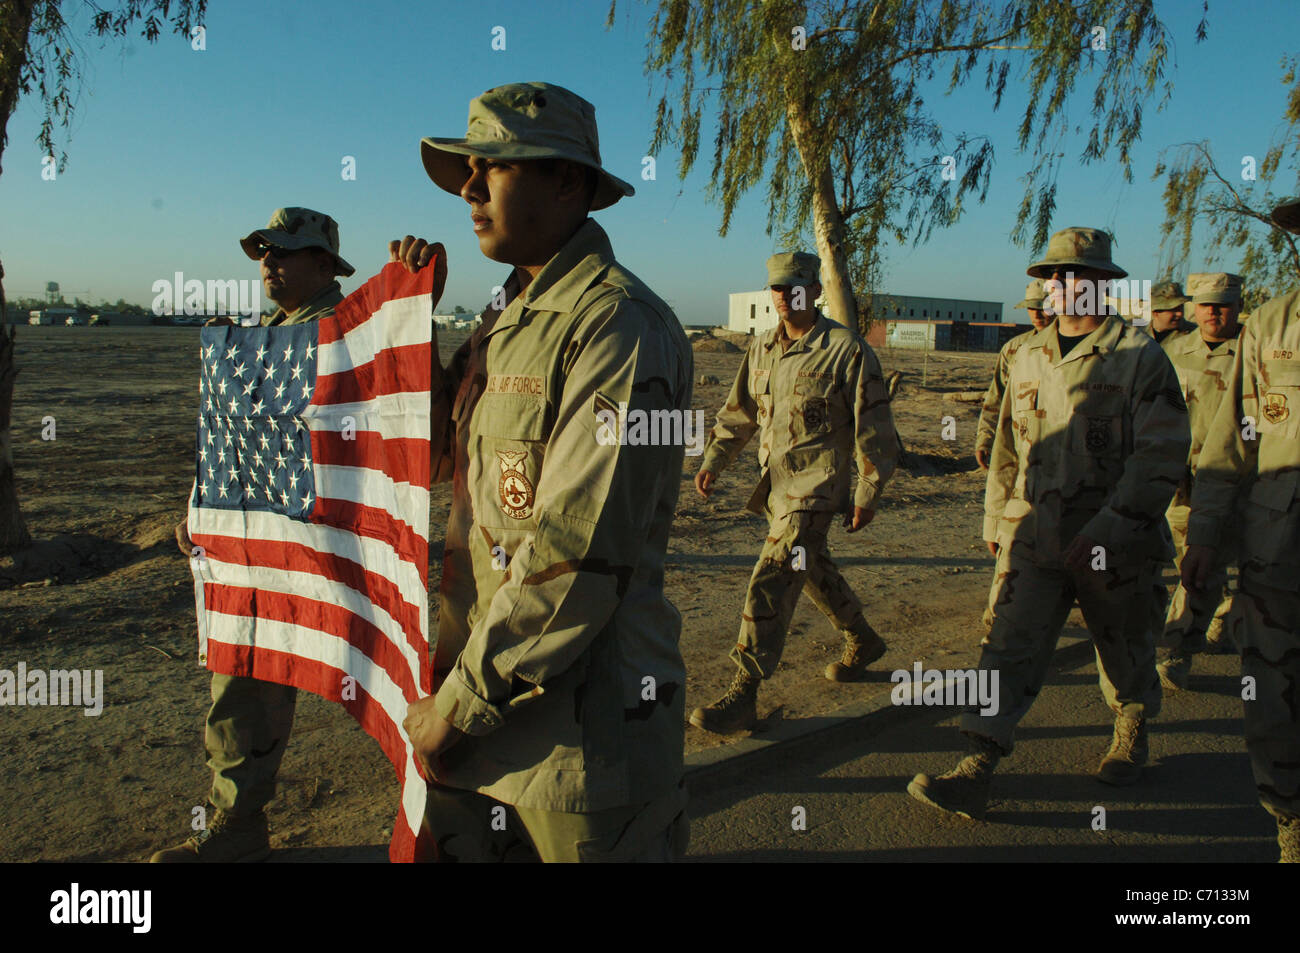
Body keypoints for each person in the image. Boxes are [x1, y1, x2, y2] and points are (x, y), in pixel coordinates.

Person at [396, 82, 693, 862]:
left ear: (566, 182)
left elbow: (578, 551)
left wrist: (459, 705)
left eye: (490, 166)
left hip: (581, 746)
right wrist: (406, 322)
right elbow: (431, 458)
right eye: (466, 168)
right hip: (479, 713)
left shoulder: (618, 325)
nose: (466, 187)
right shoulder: (507, 320)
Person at [908, 226, 1189, 819]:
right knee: (1006, 646)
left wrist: (1108, 532)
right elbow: (1008, 447)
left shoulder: (1140, 357)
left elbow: (1161, 456)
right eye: (1052, 276)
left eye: (1075, 276)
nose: (1061, 285)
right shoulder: (1025, 353)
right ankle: (978, 765)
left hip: (1113, 544)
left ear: (1103, 284)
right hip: (1034, 535)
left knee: (1124, 648)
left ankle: (1132, 726)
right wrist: (995, 517)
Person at [154, 208, 357, 862]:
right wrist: (203, 505)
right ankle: (238, 822)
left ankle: (453, 815)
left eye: (286, 252)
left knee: (365, 681)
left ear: (325, 264)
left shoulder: (345, 332)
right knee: (242, 671)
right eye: (263, 251)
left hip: (316, 546)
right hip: (260, 542)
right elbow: (240, 440)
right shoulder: (264, 336)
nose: (269, 262)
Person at [688, 251, 899, 735]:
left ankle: (745, 691)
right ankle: (862, 639)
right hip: (777, 489)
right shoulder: (761, 348)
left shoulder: (846, 350)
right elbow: (738, 413)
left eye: (795, 287)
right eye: (777, 288)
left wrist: (868, 490)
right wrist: (715, 461)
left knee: (775, 571)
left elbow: (876, 426)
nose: (785, 296)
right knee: (809, 568)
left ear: (816, 291)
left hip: (818, 488)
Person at [1181, 197, 1300, 862]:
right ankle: (1290, 820)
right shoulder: (1272, 324)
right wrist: (1204, 535)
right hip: (1275, 550)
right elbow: (1232, 440)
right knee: (1271, 693)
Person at [1154, 273, 1243, 691]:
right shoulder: (1173, 351)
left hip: (1234, 479)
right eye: (1205, 304)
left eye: (1222, 304)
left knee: (1203, 567)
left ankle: (1178, 648)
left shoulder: (1253, 352)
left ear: (1238, 306)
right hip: (1181, 479)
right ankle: (1222, 611)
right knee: (1191, 561)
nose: (1213, 312)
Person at [974, 278, 1053, 471]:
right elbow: (996, 398)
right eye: (1031, 308)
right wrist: (985, 439)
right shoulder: (1014, 349)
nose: (1036, 314)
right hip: (1020, 448)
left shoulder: (1075, 348)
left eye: (1043, 307)